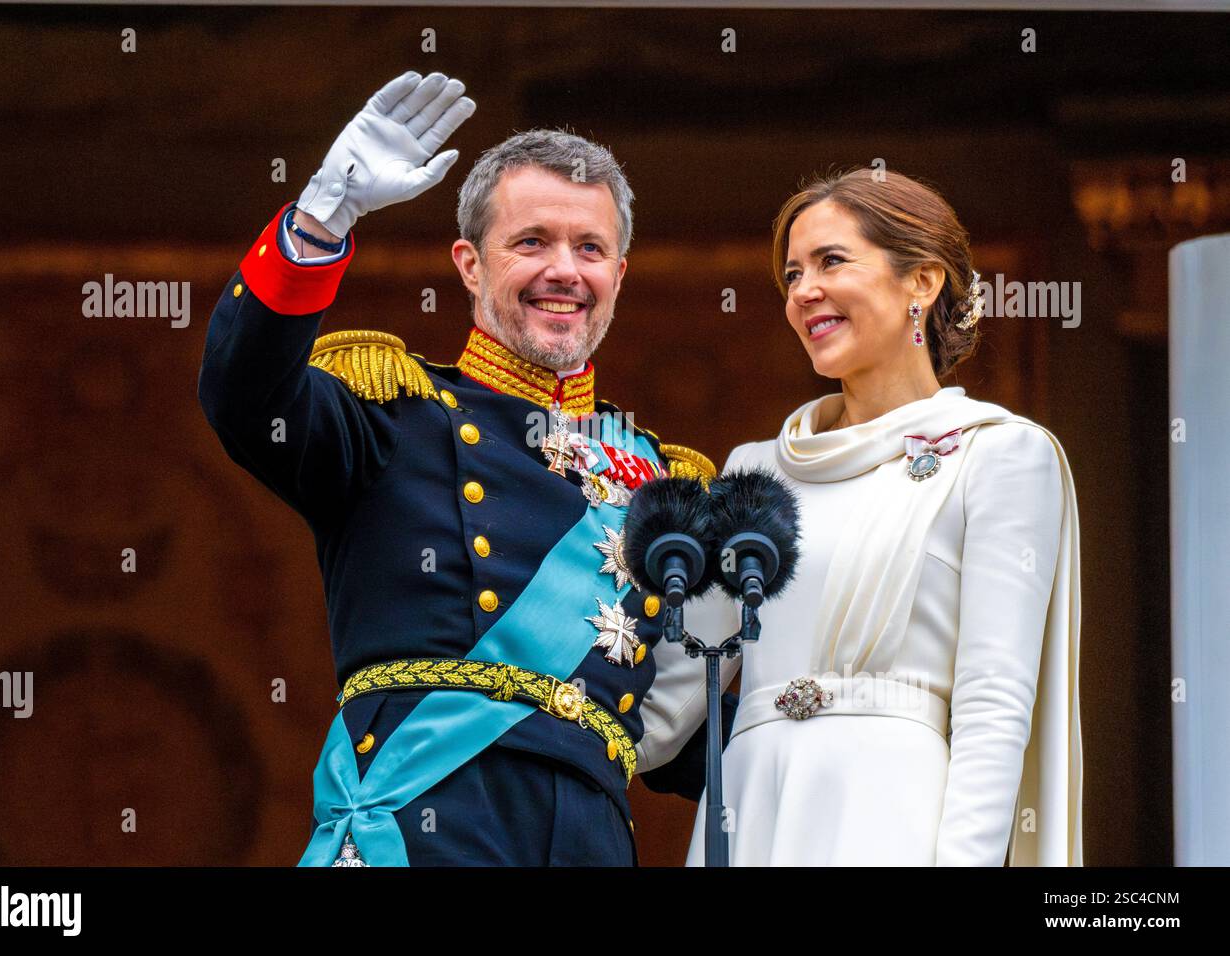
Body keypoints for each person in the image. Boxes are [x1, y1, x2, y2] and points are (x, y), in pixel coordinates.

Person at [197, 71, 715, 866]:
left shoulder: (667, 488)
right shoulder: (390, 411)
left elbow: (684, 738)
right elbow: (243, 393)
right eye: (531, 242)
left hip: (592, 841)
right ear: (470, 265)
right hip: (423, 823)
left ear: (619, 276)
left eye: (590, 249)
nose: (564, 272)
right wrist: (321, 214)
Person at [636, 167, 1083, 866]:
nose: (803, 291)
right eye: (791, 275)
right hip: (751, 812)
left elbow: (993, 707)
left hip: (894, 812)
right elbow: (668, 693)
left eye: (831, 261)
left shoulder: (998, 455)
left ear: (922, 282)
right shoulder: (753, 470)